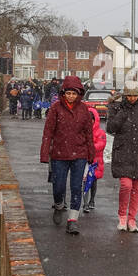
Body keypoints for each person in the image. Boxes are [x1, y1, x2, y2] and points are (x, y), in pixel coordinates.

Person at [39, 75, 97, 235]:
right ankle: (58, 204)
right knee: (58, 186)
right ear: (63, 93)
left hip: (79, 153)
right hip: (59, 153)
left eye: (74, 93)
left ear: (79, 94)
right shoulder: (56, 108)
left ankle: (72, 220)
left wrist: (91, 154)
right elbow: (48, 132)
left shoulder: (84, 109)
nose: (71, 96)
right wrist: (45, 153)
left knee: (76, 187)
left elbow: (88, 134)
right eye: (68, 93)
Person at [105, 79, 138, 232]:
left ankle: (132, 219)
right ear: (125, 95)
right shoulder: (117, 107)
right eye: (129, 96)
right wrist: (122, 112)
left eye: (135, 96)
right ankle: (122, 216)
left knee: (136, 189)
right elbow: (111, 128)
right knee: (126, 185)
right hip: (123, 151)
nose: (132, 99)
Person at [84, 95, 107, 213]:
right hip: (84, 160)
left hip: (95, 161)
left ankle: (92, 200)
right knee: (84, 182)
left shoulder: (99, 132)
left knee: (92, 182)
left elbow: (101, 145)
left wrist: (89, 147)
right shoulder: (82, 131)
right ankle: (85, 203)